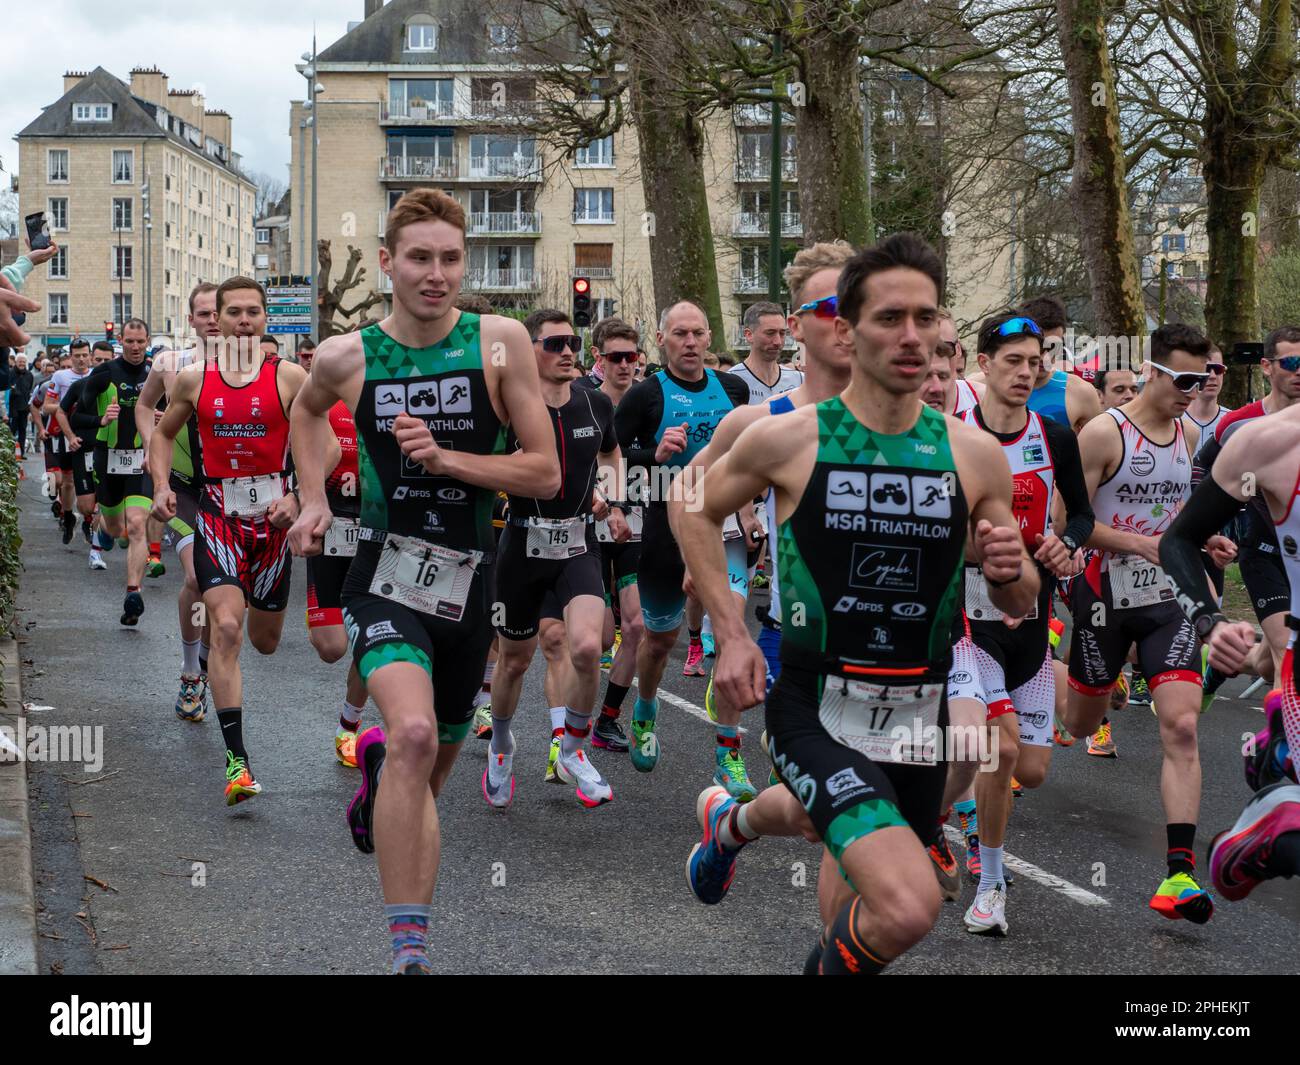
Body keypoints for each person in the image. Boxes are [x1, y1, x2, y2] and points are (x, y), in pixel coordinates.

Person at [677, 232, 1038, 974]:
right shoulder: (789, 438)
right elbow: (691, 505)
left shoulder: (971, 453)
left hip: (920, 706)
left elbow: (1021, 594)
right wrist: (731, 630)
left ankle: (731, 824)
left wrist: (1011, 569)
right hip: (815, 700)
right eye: (889, 317)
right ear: (846, 329)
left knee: (850, 883)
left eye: (927, 318)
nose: (912, 336)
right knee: (909, 903)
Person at [287, 188, 559, 974]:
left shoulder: (499, 343)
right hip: (384, 575)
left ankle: (383, 787)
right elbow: (308, 416)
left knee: (430, 766)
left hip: (471, 585)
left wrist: (447, 460)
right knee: (407, 733)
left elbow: (542, 472)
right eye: (419, 258)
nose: (435, 274)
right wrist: (313, 496)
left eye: (449, 258)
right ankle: (410, 949)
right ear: (386, 262)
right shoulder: (349, 355)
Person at [1062, 323, 1235, 922]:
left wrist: (1200, 539)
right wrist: (1139, 544)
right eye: (1185, 379)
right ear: (1153, 371)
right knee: (1080, 721)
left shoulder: (1189, 433)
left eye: (1205, 378)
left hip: (1169, 599)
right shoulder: (1104, 435)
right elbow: (1073, 524)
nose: (1196, 389)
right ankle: (1052, 675)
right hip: (1103, 597)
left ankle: (1178, 874)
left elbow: (1181, 514)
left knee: (1182, 726)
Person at [957, 312, 1094, 935]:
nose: (1026, 371)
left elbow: (1084, 518)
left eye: (1035, 360)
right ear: (983, 364)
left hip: (1031, 619)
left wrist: (1068, 546)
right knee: (1001, 747)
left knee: (1028, 770)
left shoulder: (1055, 435)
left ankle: (931, 767)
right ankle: (991, 884)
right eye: (1012, 360)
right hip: (964, 618)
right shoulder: (951, 435)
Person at [150, 278, 306, 802]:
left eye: (252, 312)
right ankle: (237, 764)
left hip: (274, 526)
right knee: (228, 626)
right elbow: (162, 433)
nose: (243, 320)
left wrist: (301, 497)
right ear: (217, 317)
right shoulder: (194, 380)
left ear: (265, 319)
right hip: (217, 517)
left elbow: (324, 440)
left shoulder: (290, 378)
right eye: (233, 311)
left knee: (264, 641)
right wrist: (161, 486)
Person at [481, 308, 627, 809]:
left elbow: (610, 454)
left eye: (572, 342)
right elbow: (485, 468)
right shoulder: (509, 411)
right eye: (553, 344)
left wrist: (609, 494)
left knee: (588, 648)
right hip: (520, 546)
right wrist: (501, 500)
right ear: (529, 352)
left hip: (578, 543)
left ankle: (573, 749)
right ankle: (501, 744)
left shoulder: (595, 405)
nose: (567, 351)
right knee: (515, 661)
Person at [1160, 404, 1300, 904]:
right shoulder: (1269, 443)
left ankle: (1282, 810)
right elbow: (1177, 540)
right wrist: (1208, 622)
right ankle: (1278, 828)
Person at [614, 299, 752, 792]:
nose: (690, 343)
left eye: (697, 333)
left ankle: (728, 754)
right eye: (679, 335)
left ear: (710, 337)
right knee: (661, 639)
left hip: (727, 527)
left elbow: (754, 457)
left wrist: (753, 510)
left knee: (734, 633)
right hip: (666, 531)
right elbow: (610, 455)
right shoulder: (646, 395)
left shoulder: (733, 390)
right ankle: (646, 709)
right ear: (663, 339)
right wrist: (653, 453)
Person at [134, 283, 221, 721]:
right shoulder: (171, 363)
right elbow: (144, 405)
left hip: (229, 491)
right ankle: (191, 673)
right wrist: (154, 451)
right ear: (191, 320)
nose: (211, 320)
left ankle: (204, 661)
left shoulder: (251, 369)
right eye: (202, 313)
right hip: (184, 490)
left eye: (216, 312)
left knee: (223, 592)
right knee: (196, 576)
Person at [587, 318, 646, 753]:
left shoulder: (650, 401)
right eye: (616, 358)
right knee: (602, 639)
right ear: (599, 359)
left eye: (632, 357)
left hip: (637, 525)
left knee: (637, 624)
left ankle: (607, 720)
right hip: (589, 527)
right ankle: (572, 721)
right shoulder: (584, 402)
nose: (625, 365)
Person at [72, 320, 154, 625]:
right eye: (129, 341)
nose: (135, 347)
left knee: (136, 525)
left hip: (141, 461)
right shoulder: (103, 374)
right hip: (107, 460)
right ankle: (104, 529)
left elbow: (177, 412)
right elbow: (78, 416)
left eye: (140, 342)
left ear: (148, 341)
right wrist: (101, 421)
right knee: (117, 527)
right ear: (120, 340)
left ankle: (133, 593)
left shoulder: (155, 374)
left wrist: (163, 416)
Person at [57, 341, 115, 565]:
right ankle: (89, 521)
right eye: (98, 360)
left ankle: (95, 551)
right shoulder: (81, 385)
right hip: (84, 449)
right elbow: (62, 411)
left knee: (105, 501)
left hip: (110, 451)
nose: (101, 364)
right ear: (92, 359)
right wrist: (70, 436)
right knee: (86, 505)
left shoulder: (120, 385)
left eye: (106, 361)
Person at [41, 339, 92, 543]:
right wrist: (69, 405)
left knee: (92, 480)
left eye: (84, 355)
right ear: (71, 357)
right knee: (67, 481)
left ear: (89, 355)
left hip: (89, 434)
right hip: (65, 434)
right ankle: (68, 515)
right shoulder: (60, 376)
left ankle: (89, 518)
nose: (81, 359)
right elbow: (46, 406)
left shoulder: (96, 375)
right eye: (77, 355)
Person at [729, 302, 803, 402]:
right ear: (749, 335)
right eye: (770, 333)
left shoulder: (799, 380)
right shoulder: (730, 381)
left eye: (782, 333)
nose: (778, 341)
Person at [8, 355, 33, 459]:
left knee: (23, 431)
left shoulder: (29, 375)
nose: (22, 363)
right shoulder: (10, 373)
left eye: (24, 361)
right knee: (12, 431)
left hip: (24, 407)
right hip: (12, 407)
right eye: (20, 361)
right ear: (16, 362)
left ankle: (21, 453)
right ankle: (9, 453)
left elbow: (30, 389)